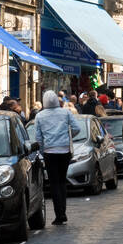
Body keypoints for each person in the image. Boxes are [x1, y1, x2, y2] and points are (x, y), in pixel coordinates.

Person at [32, 90, 75, 225]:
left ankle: (60, 214)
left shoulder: (40, 116)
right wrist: (68, 138)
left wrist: (43, 148)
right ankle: (63, 211)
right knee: (62, 182)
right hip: (64, 151)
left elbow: (38, 137)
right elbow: (76, 128)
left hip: (50, 152)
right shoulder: (66, 113)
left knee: (54, 183)